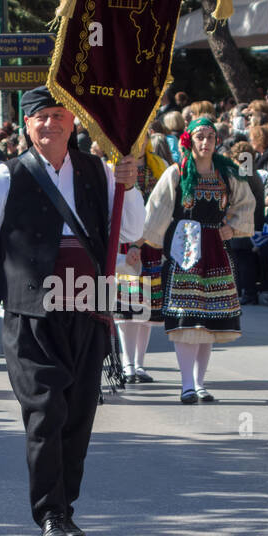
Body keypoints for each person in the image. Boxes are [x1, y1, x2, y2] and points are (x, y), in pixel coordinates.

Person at [0, 86, 143, 536]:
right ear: (26, 126)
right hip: (31, 313)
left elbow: (131, 229)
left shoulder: (99, 171)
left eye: (58, 115)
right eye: (40, 118)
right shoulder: (5, 178)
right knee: (46, 411)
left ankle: (66, 505)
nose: (50, 124)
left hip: (88, 307)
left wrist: (129, 181)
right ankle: (50, 515)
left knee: (79, 413)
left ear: (73, 122)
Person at [143, 116, 256, 404]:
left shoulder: (228, 173)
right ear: (189, 141)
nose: (205, 142)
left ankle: (200, 383)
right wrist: (151, 242)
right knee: (187, 318)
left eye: (210, 137)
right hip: (186, 248)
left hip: (216, 247)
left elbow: (247, 202)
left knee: (209, 320)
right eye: (200, 137)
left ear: (217, 141)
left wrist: (233, 226)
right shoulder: (177, 172)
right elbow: (158, 207)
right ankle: (186, 385)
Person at [113, 140, 169, 383]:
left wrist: (146, 238)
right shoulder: (113, 167)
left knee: (147, 308)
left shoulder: (160, 167)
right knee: (127, 305)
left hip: (152, 243)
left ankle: (140, 364)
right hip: (125, 242)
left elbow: (164, 208)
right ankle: (127, 363)